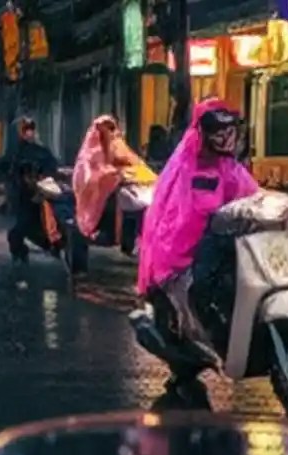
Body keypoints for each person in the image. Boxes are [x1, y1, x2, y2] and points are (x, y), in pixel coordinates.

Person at [138, 98, 260, 359]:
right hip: (184, 253)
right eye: (218, 131)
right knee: (203, 287)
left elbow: (251, 194)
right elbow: (180, 217)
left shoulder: (228, 166)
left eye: (229, 131)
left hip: (220, 242)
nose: (225, 137)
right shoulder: (186, 167)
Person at [72, 115, 157, 248]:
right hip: (103, 194)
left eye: (111, 128)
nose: (109, 132)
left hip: (129, 189)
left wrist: (129, 173)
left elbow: (135, 162)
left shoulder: (117, 144)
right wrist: (112, 175)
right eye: (106, 129)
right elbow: (90, 176)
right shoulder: (90, 152)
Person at [7, 116, 62, 263]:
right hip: (24, 197)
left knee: (45, 225)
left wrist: (42, 181)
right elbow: (13, 175)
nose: (29, 134)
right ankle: (20, 255)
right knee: (20, 230)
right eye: (26, 130)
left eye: (31, 130)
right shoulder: (17, 152)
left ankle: (53, 247)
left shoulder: (42, 151)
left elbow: (51, 168)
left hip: (42, 196)